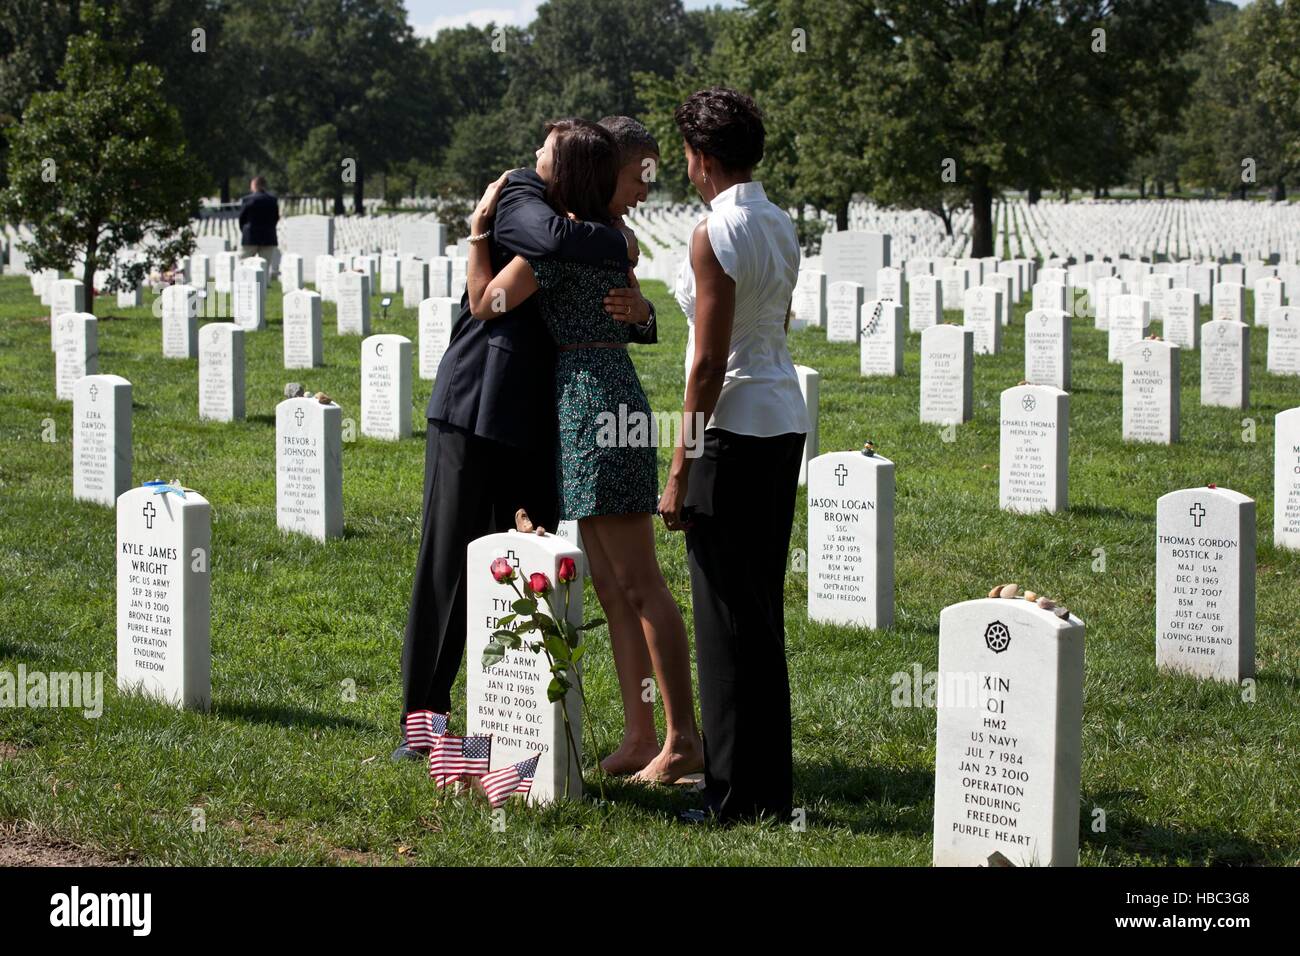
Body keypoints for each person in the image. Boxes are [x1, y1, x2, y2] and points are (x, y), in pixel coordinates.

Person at [394, 120, 659, 761]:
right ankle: (424, 716)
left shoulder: (597, 232)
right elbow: (494, 292)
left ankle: (512, 715)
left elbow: (623, 313)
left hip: (551, 415)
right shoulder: (520, 192)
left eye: (546, 146)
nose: (645, 193)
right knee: (448, 560)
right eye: (638, 178)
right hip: (478, 398)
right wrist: (485, 232)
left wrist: (641, 306)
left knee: (530, 561)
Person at [466, 118, 704, 785]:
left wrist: (479, 234)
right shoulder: (607, 240)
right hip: (599, 396)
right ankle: (639, 735)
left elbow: (486, 303)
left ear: (565, 174)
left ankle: (683, 739)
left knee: (638, 581)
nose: (534, 166)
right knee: (610, 582)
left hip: (591, 404)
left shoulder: (556, 249)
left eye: (546, 157)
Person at [659, 87, 807, 822]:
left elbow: (708, 364)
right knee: (759, 611)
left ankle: (728, 797)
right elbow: (776, 323)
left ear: (705, 159)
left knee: (722, 621)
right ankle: (768, 791)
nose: (686, 168)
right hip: (782, 420)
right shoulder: (782, 224)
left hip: (729, 427)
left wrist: (681, 464)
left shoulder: (712, 232)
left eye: (687, 155)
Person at [237, 176, 280, 274]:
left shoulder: (247, 200)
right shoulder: (273, 200)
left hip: (250, 237)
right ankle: (262, 288)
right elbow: (276, 218)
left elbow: (242, 219)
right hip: (268, 237)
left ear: (254, 185)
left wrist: (245, 231)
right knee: (264, 267)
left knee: (244, 265)